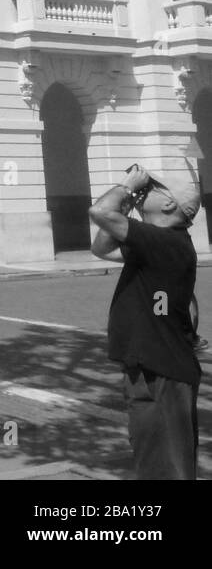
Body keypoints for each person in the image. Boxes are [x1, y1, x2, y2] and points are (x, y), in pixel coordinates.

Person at [89, 164, 201, 479]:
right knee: (153, 461)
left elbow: (99, 211)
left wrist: (124, 188)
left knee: (168, 466)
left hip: (162, 369)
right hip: (148, 366)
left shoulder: (166, 241)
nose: (142, 190)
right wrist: (125, 205)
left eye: (151, 187)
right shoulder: (155, 241)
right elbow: (100, 248)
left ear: (169, 205)